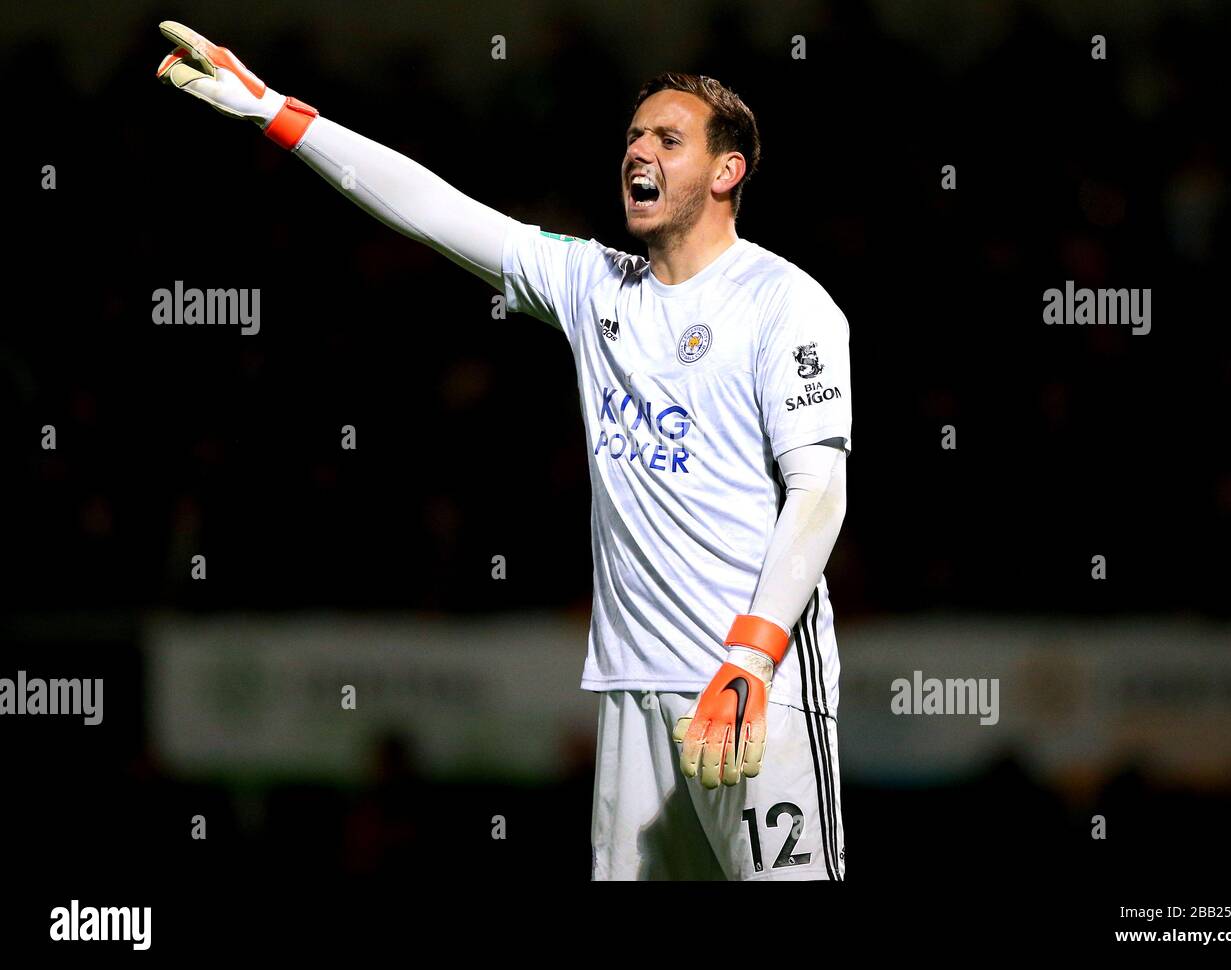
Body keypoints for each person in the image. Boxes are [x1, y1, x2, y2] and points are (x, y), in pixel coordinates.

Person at [156, 21, 852, 881]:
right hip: (633, 690)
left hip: (753, 685)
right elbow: (435, 208)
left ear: (726, 171)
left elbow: (819, 491)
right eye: (633, 136)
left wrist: (751, 653)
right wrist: (270, 109)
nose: (640, 151)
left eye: (669, 139)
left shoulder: (788, 303)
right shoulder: (594, 283)